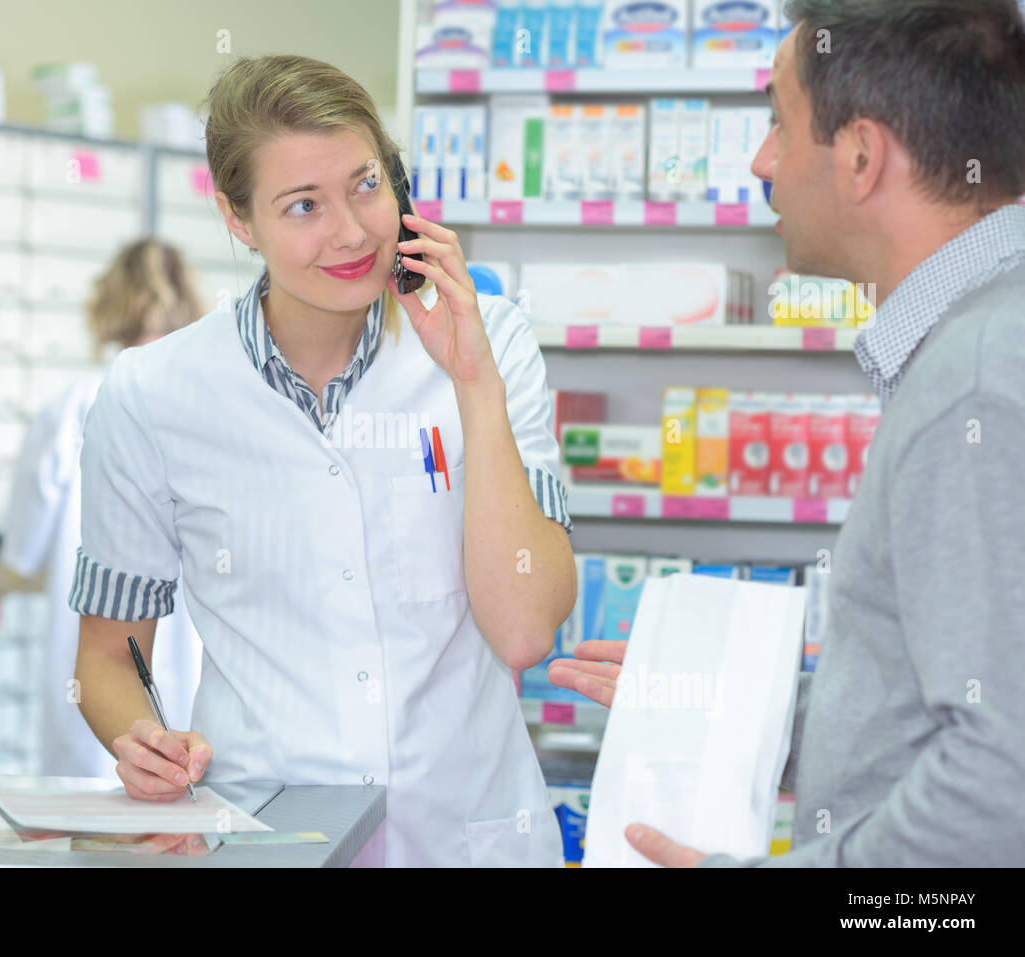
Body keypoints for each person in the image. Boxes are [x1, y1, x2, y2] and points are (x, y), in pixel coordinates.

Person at [69, 54, 578, 866]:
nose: (349, 231)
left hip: (468, 834)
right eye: (302, 205)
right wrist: (143, 739)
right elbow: (104, 656)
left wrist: (472, 382)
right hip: (265, 833)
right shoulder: (153, 392)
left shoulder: (495, 342)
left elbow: (523, 631)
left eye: (366, 185)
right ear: (240, 220)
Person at [551, 0, 1025, 866]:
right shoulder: (981, 334)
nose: (761, 159)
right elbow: (949, 700)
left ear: (860, 156)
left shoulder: (982, 373)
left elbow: (1003, 776)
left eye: (778, 119)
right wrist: (717, 714)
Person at [1, 238, 206, 778]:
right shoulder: (210, 409)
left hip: (93, 689)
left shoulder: (69, 409)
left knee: (95, 841)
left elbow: (21, 553)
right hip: (195, 690)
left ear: (107, 306)